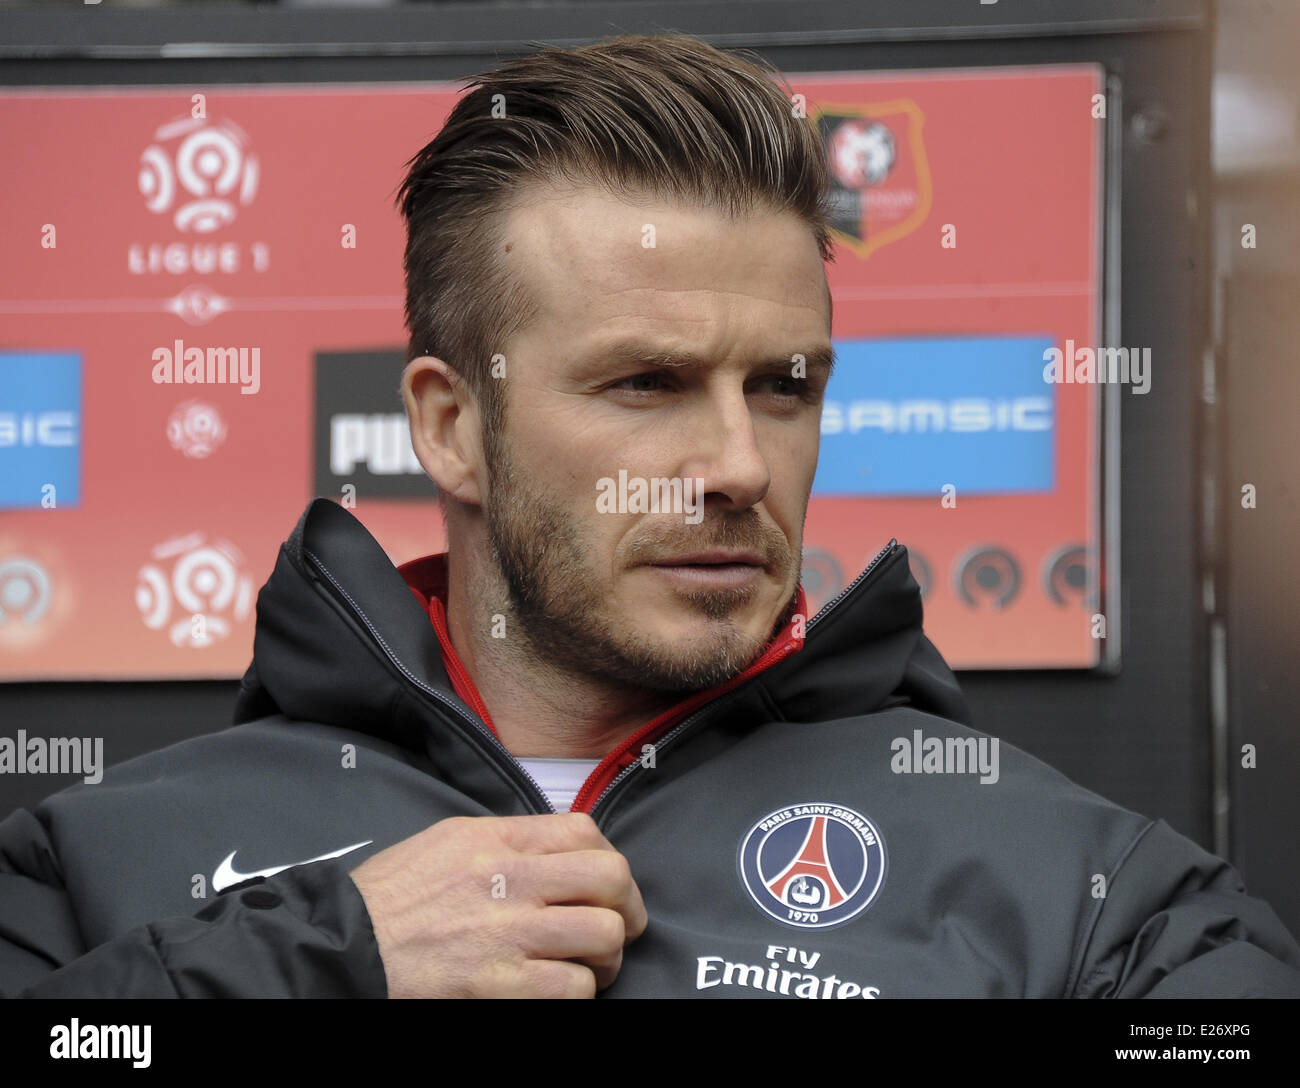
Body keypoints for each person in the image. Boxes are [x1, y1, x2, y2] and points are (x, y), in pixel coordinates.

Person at [3, 33, 1298, 1000]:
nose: (738, 461)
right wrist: (316, 961)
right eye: (646, 384)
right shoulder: (95, 864)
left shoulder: (1089, 897)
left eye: (784, 386)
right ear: (453, 426)